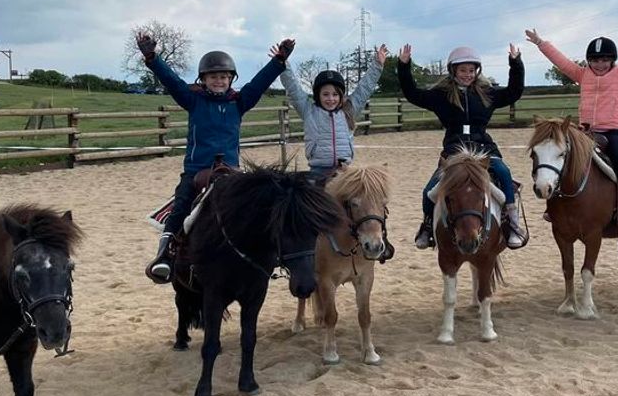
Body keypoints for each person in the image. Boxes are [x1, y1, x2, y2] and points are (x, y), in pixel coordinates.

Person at [138, 31, 294, 283]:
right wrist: (152, 57)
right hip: (196, 169)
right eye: (213, 77)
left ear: (231, 79)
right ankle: (164, 256)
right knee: (180, 208)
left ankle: (267, 254)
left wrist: (277, 62)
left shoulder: (239, 102)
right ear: (204, 79)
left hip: (230, 172)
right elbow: (172, 81)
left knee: (256, 208)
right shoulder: (193, 100)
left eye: (223, 77)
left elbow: (259, 83)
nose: (219, 81)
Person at [525, 10, 618, 224]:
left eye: (605, 60)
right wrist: (541, 43)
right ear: (589, 61)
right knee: (563, 160)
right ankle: (554, 204)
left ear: (612, 60)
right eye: (595, 60)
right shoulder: (581, 75)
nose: (600, 64)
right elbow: (562, 62)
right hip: (585, 131)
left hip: (612, 131)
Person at [398, 43, 526, 249]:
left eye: (471, 70)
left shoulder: (487, 93)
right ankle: (427, 226)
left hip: (483, 148)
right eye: (463, 70)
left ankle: (512, 224)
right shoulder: (441, 96)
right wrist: (404, 66)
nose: (468, 74)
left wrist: (515, 63)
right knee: (429, 189)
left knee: (503, 172)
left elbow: (514, 92)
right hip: (454, 151)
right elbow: (412, 93)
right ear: (453, 71)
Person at [280, 45, 393, 260]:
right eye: (325, 94)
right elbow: (293, 88)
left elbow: (364, 88)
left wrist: (378, 65)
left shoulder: (349, 110)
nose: (330, 98)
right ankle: (306, 252)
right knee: (303, 209)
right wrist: (283, 64)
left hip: (345, 171)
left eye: (334, 94)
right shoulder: (309, 111)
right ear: (318, 96)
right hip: (318, 171)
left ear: (341, 96)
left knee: (372, 201)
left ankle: (380, 241)